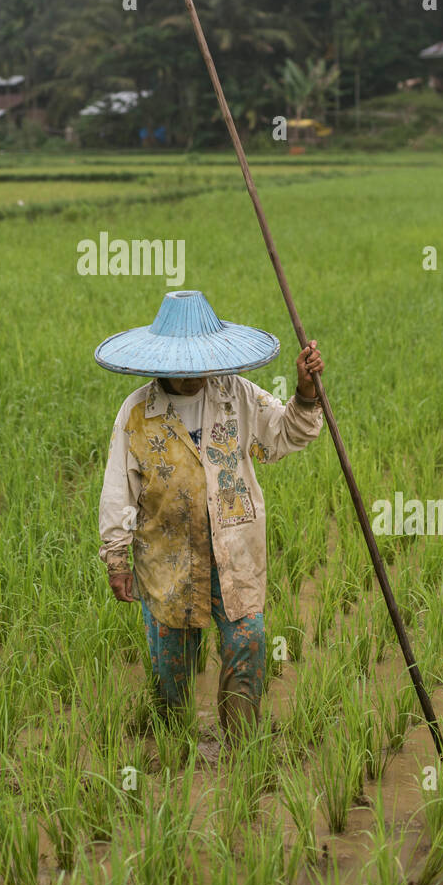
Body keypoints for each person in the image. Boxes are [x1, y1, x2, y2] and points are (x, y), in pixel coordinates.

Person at [95, 289, 324, 741]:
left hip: (234, 551)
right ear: (162, 363)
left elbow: (283, 435)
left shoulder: (234, 393)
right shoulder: (138, 412)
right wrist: (116, 558)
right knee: (172, 668)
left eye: (202, 363)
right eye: (185, 366)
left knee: (248, 643)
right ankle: (173, 749)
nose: (196, 374)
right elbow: (118, 490)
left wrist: (305, 391)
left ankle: (243, 749)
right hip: (167, 560)